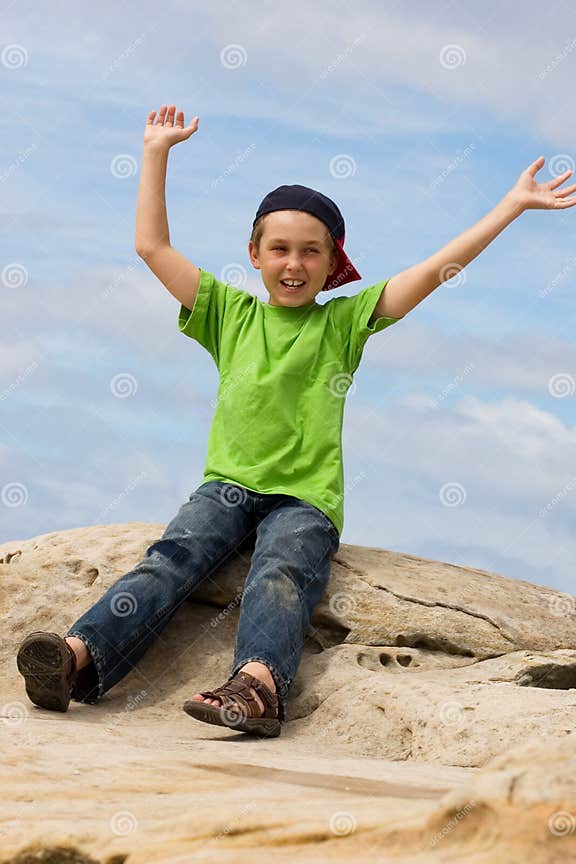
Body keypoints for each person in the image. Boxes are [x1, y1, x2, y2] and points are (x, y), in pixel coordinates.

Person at [17, 105, 576, 739]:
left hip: (305, 500)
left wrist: (511, 206)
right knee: (169, 561)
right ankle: (72, 659)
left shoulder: (342, 323)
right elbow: (151, 246)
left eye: (312, 252)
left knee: (280, 573)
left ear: (332, 262)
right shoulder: (229, 313)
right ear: (253, 254)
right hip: (225, 486)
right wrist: (156, 151)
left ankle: (254, 689)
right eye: (279, 248)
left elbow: (433, 272)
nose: (294, 263)